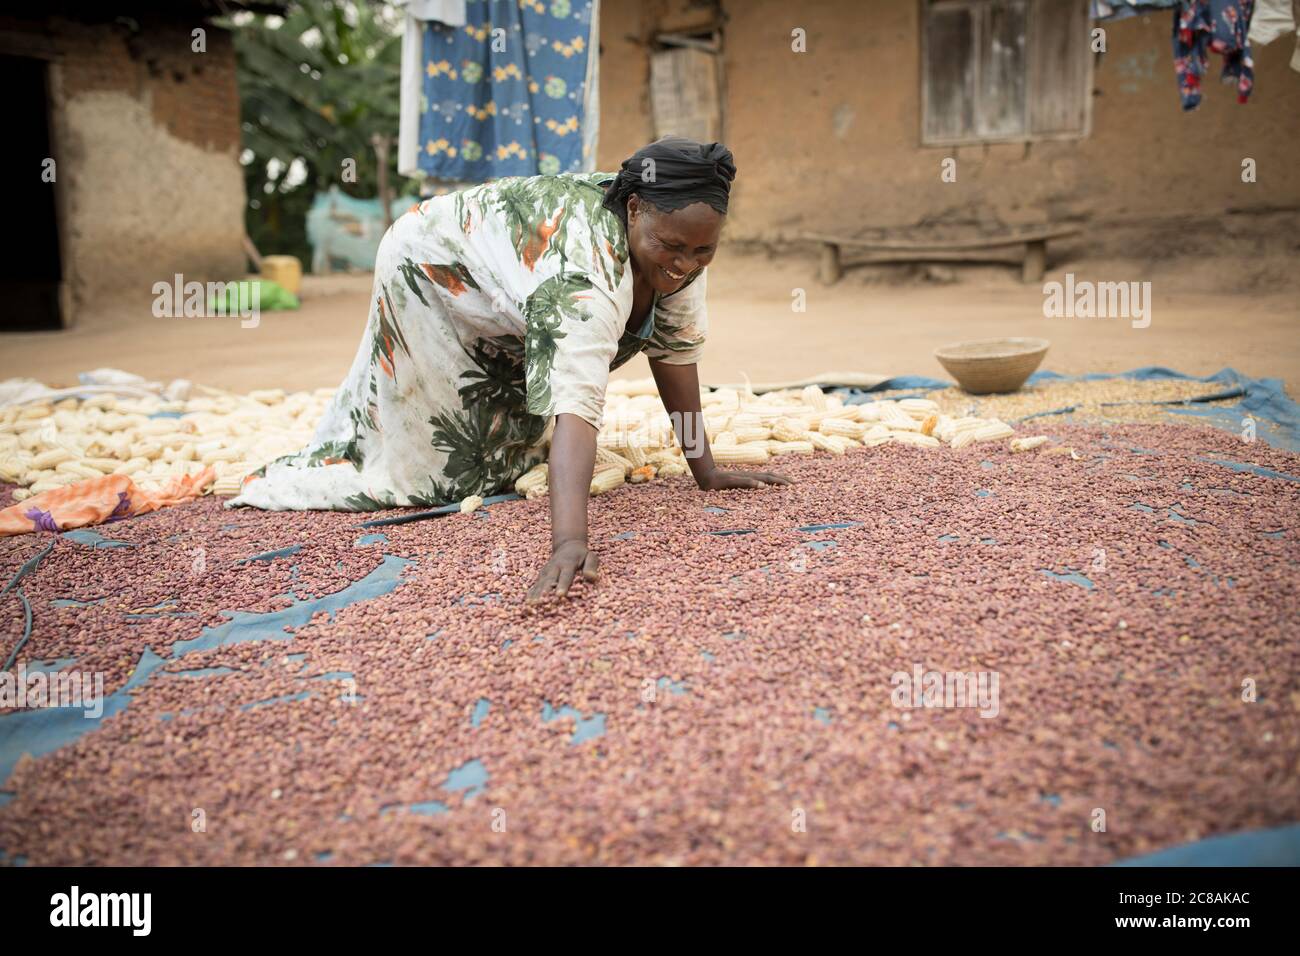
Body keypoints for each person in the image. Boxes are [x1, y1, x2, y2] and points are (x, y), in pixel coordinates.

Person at [229, 136, 793, 601]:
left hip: (513, 285)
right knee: (441, 473)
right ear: (635, 209)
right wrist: (568, 541)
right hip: (433, 266)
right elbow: (578, 399)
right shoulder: (583, 275)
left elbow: (675, 357)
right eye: (672, 247)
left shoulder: (682, 248)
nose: (684, 265)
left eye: (704, 252)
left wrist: (706, 470)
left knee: (512, 449)